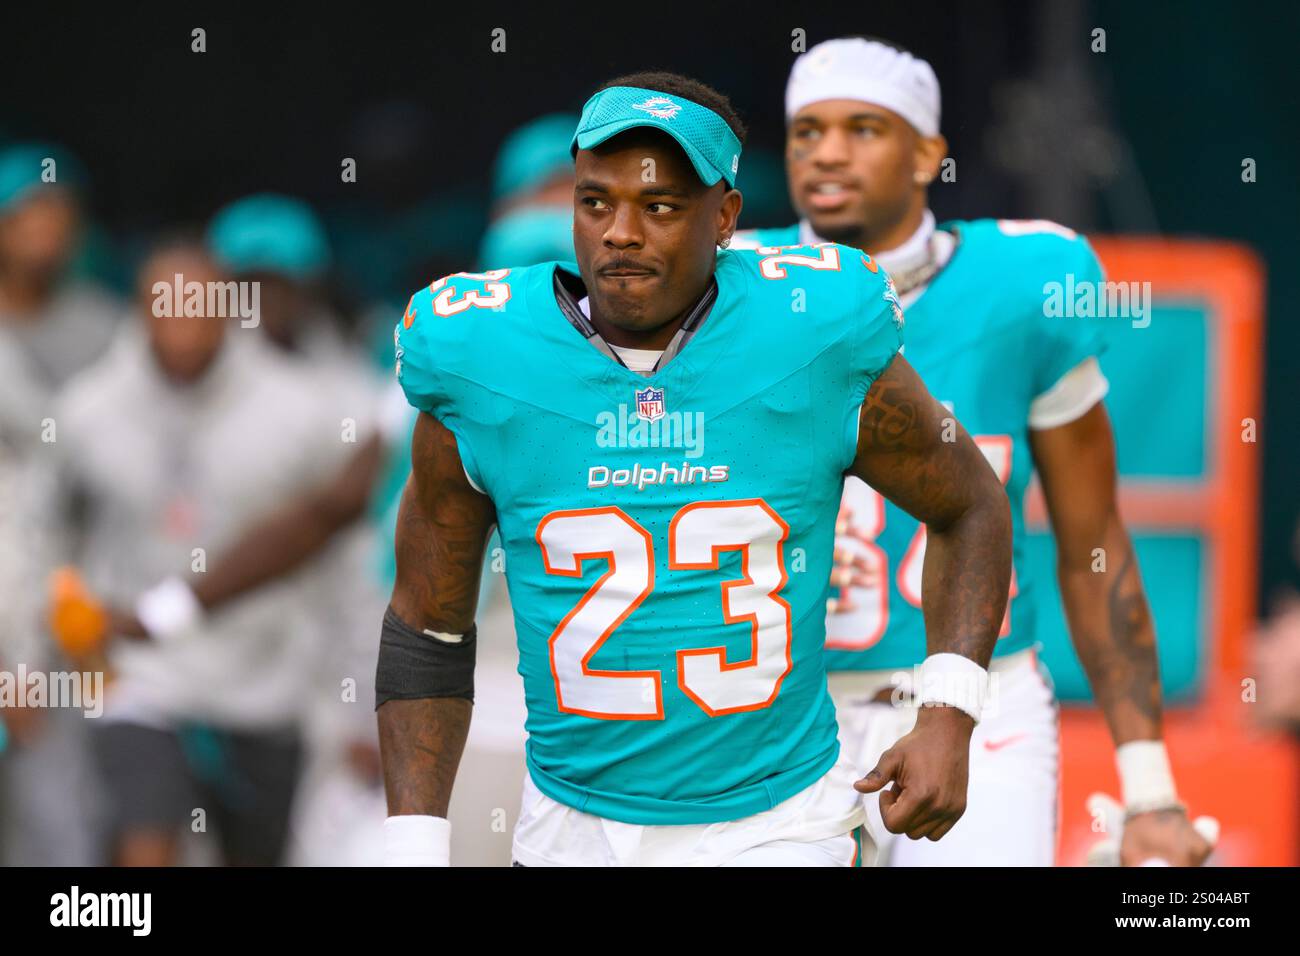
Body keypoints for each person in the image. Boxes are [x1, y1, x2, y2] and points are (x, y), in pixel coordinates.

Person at [377, 71, 1012, 867]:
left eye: (661, 206)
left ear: (727, 218)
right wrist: (410, 842)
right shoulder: (480, 352)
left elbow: (970, 505)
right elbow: (428, 625)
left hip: (777, 823)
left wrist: (950, 707)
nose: (619, 232)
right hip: (569, 827)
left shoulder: (812, 332)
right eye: (595, 201)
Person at [732, 36, 1213, 866]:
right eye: (807, 131)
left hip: (976, 704)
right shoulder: (736, 288)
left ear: (928, 154)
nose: (828, 153)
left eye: (863, 128)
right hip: (780, 709)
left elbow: (1093, 539)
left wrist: (1150, 788)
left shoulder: (1025, 281)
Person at [46, 237, 366, 865]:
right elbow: (50, 531)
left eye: (199, 304)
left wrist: (353, 689)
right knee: (144, 844)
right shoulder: (87, 411)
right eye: (165, 305)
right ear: (139, 310)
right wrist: (67, 642)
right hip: (142, 676)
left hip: (265, 682)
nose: (183, 322)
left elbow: (347, 558)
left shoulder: (304, 411)